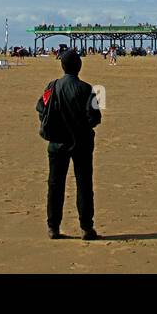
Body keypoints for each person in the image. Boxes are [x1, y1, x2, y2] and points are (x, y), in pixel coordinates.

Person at [35, 50, 101, 240]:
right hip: (82, 143)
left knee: (55, 185)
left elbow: (40, 107)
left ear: (62, 66)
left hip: (57, 144)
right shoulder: (87, 89)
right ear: (79, 66)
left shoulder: (52, 86)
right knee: (84, 184)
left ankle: (53, 227)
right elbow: (95, 117)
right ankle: (86, 227)